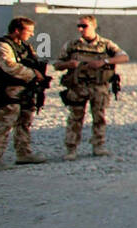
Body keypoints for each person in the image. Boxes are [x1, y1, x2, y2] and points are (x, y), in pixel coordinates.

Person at [55, 15, 128, 160]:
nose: (81, 29)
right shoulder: (72, 45)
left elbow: (124, 57)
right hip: (78, 86)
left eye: (84, 26)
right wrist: (69, 64)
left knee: (99, 117)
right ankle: (71, 148)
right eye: (79, 26)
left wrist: (104, 61)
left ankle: (98, 145)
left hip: (99, 86)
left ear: (94, 26)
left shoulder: (106, 44)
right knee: (75, 118)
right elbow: (57, 64)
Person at [0, 16, 49, 168]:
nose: (31, 34)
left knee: (24, 122)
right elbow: (9, 66)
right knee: (5, 124)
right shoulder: (2, 45)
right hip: (8, 90)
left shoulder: (25, 47)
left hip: (26, 91)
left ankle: (23, 153)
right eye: (29, 31)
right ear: (17, 30)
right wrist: (33, 73)